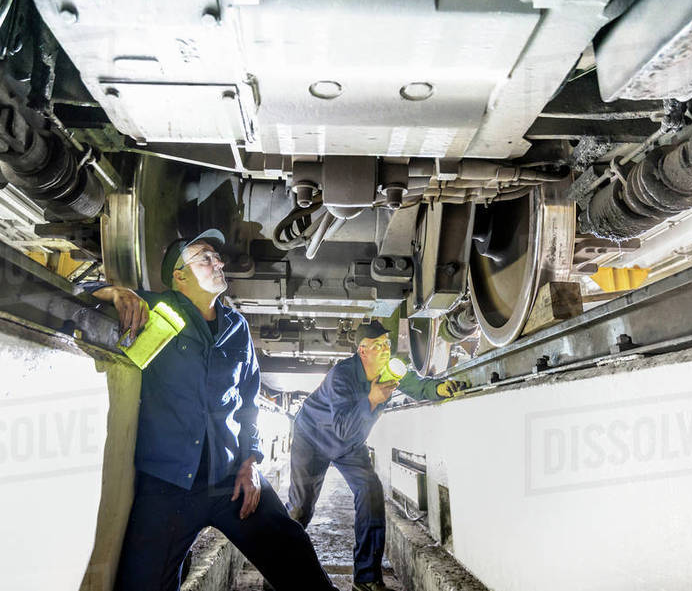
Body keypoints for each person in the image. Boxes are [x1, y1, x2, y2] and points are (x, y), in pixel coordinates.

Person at [91, 229, 338, 591]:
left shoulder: (237, 327)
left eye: (216, 257)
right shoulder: (156, 310)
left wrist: (251, 461)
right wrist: (115, 292)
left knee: (295, 556)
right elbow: (82, 293)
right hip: (168, 484)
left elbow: (248, 401)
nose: (219, 262)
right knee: (141, 584)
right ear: (180, 276)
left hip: (231, 479)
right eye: (205, 257)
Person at [287, 321, 464, 591]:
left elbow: (417, 385)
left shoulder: (390, 369)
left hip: (349, 445)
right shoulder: (341, 375)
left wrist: (438, 389)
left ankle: (367, 578)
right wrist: (370, 400)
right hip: (312, 438)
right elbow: (342, 428)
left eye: (387, 344)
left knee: (370, 491)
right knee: (300, 509)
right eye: (378, 346)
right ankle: (278, 573)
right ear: (363, 350)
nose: (385, 350)